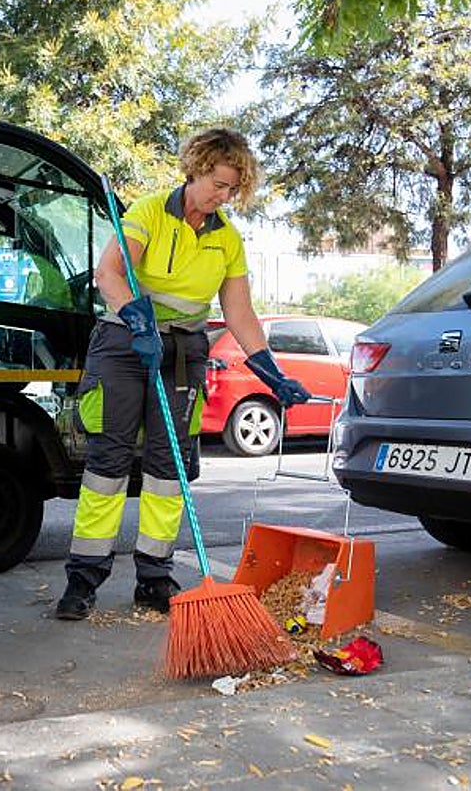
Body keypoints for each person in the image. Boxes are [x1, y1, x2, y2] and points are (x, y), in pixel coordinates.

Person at [55, 128, 311, 620]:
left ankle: (154, 578)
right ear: (195, 169)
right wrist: (136, 319)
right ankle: (83, 579)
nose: (223, 196)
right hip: (124, 343)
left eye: (233, 189)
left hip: (183, 354)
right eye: (218, 183)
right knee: (108, 462)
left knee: (168, 468)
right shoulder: (149, 212)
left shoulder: (227, 240)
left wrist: (269, 370)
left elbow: (239, 311)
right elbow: (109, 273)